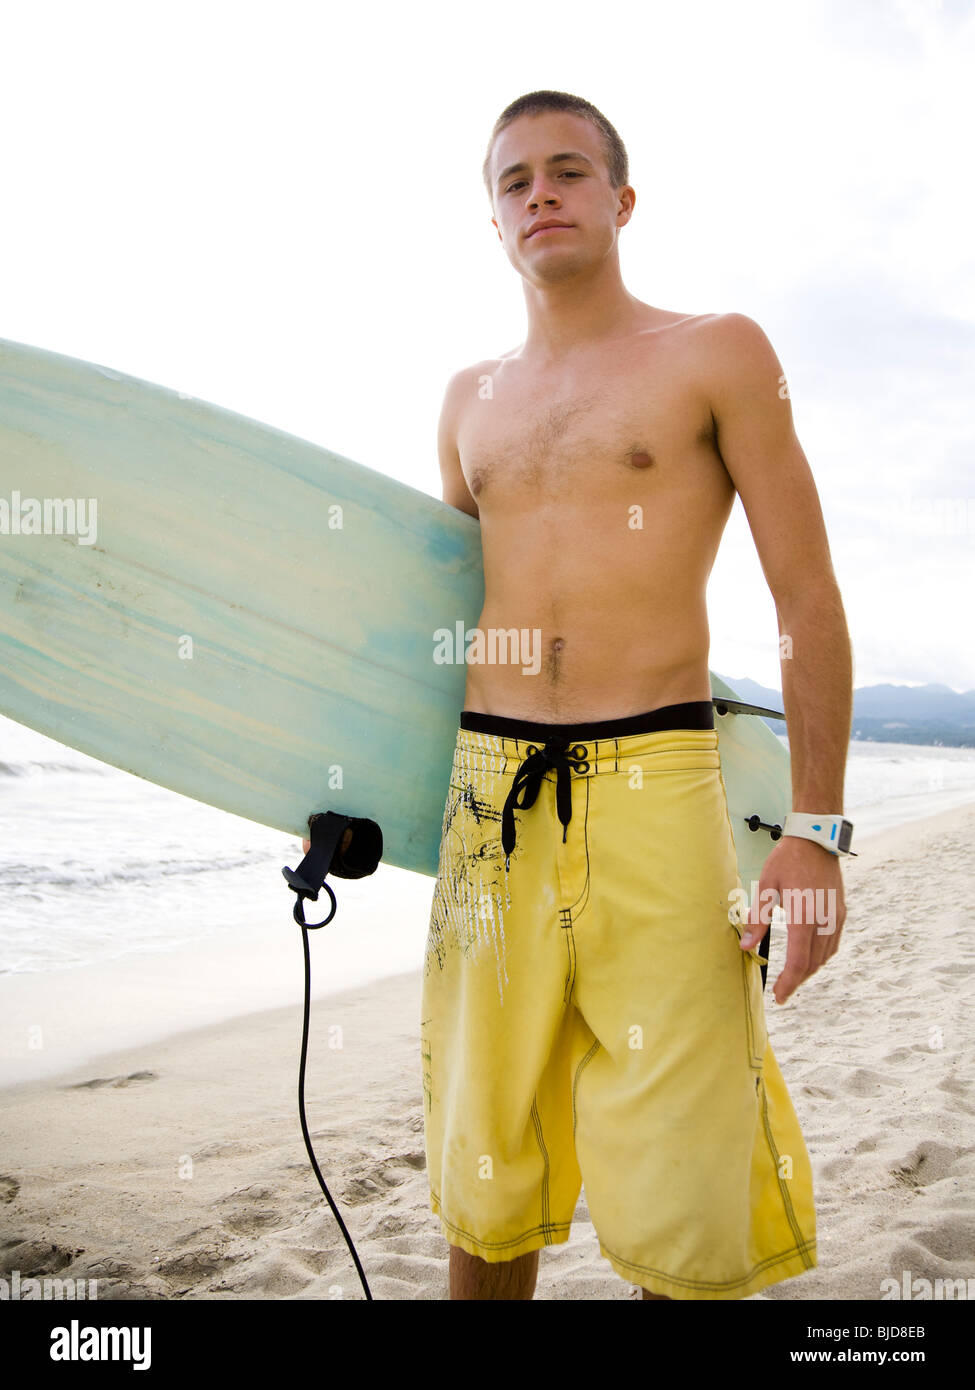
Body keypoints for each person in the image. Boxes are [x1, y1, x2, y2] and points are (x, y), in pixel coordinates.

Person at [419, 90, 853, 1301]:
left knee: (686, 1155)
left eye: (567, 171)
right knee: (484, 1151)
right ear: (494, 222)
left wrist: (815, 832)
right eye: (514, 181)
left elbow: (805, 595)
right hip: (487, 790)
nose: (539, 193)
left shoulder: (718, 351)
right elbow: (429, 627)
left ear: (621, 199)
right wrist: (323, 783)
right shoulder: (468, 400)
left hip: (660, 780)